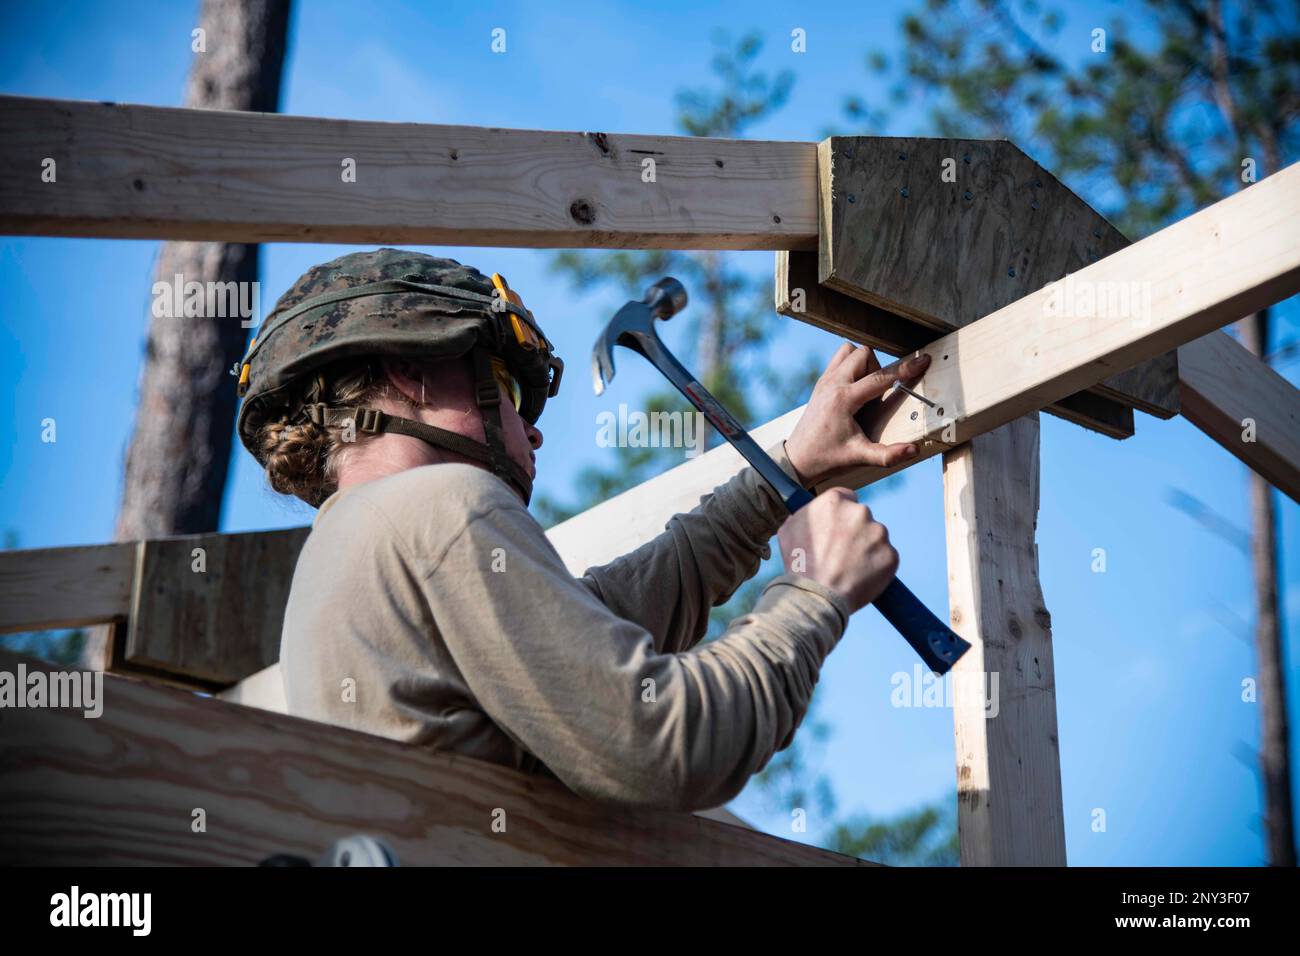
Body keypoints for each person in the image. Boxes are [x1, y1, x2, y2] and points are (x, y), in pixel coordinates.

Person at [236, 248, 930, 811]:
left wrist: (789, 470)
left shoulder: (345, 556)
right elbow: (665, 745)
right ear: (411, 372)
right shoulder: (441, 504)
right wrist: (817, 594)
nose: (532, 429)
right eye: (509, 390)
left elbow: (600, 621)